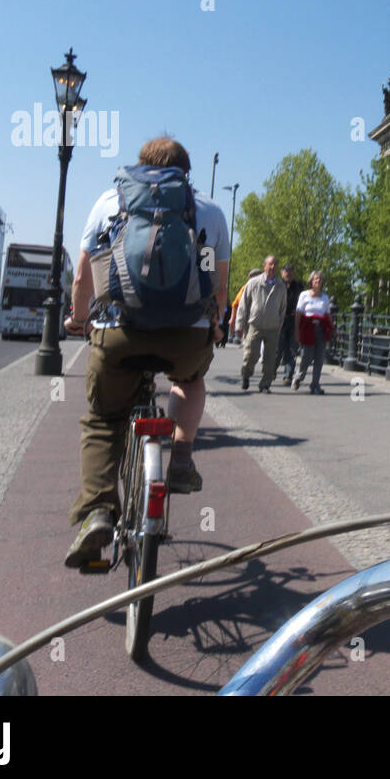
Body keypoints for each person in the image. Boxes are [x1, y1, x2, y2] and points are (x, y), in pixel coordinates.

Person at [62, 137, 229, 567]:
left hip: (120, 332)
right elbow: (214, 281)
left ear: (140, 166)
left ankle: (99, 510)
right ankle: (181, 457)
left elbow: (82, 278)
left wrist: (78, 319)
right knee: (189, 380)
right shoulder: (207, 210)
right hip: (184, 337)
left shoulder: (109, 201)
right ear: (186, 172)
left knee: (103, 418)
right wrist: (213, 321)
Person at [235, 256, 287, 393]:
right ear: (264, 265)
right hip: (255, 325)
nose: (272, 267)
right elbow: (243, 305)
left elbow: (283, 308)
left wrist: (278, 325)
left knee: (270, 359)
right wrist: (239, 325)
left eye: (275, 264)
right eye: (270, 264)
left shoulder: (281, 286)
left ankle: (265, 384)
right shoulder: (253, 283)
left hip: (272, 328)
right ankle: (246, 375)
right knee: (251, 354)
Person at [293, 271, 333, 393]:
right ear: (311, 281)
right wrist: (296, 330)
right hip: (308, 329)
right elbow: (299, 313)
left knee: (319, 359)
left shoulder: (325, 297)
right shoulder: (304, 295)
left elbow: (327, 314)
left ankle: (315, 385)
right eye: (316, 279)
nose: (318, 281)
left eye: (320, 279)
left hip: (321, 329)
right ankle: (299, 377)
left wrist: (333, 328)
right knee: (306, 356)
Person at [277, 264, 304, 386]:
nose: (288, 273)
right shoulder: (277, 285)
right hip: (279, 320)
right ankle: (272, 369)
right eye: (286, 271)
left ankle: (288, 375)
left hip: (294, 321)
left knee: (292, 349)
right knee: (278, 348)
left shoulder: (298, 286)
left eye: (290, 271)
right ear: (282, 273)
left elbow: (302, 301)